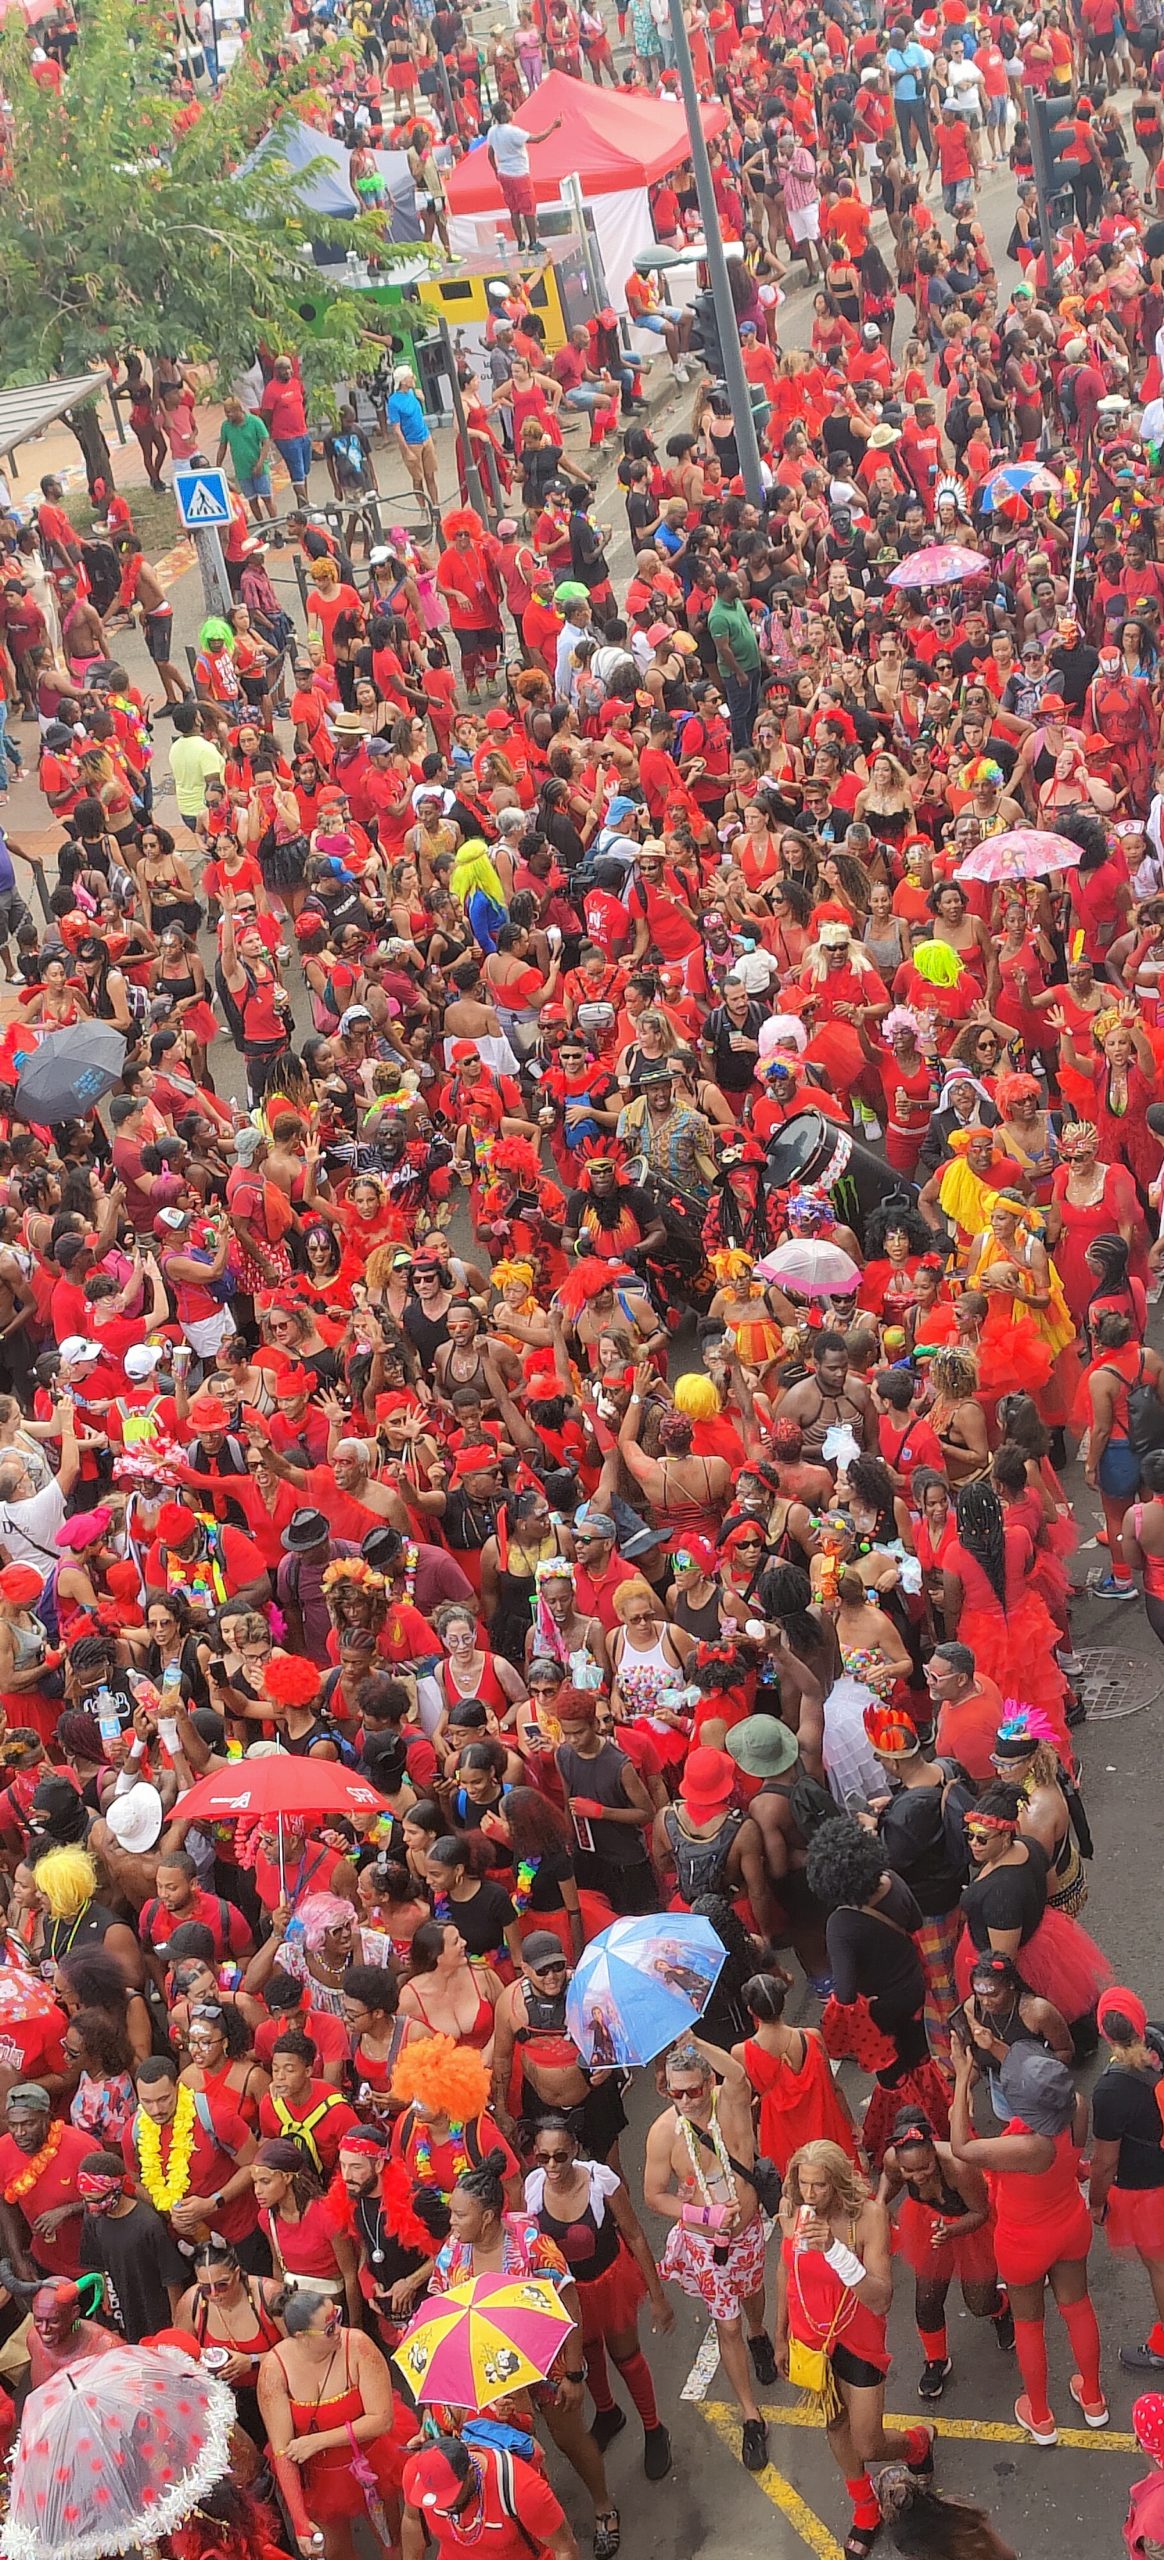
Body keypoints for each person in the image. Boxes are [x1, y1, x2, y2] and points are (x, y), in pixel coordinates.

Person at [775, 2139, 935, 2557]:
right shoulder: (792, 2207)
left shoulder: (868, 2217)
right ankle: (865, 2507)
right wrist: (780, 2335)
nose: (810, 2195)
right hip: (810, 2338)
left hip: (858, 2338)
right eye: (803, 2184)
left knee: (868, 2443)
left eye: (820, 2186)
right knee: (834, 2425)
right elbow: (786, 2272)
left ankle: (917, 2443)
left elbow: (881, 2298)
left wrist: (833, 2250)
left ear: (839, 2183)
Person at [950, 2041, 1106, 2446]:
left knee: (1030, 2324)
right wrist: (992, 2045)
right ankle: (1093, 2398)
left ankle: (1040, 2416)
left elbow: (962, 2148)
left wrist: (962, 2077)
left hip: (1024, 2243)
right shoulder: (1077, 2106)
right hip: (1069, 2225)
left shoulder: (1026, 2147)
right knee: (1078, 2308)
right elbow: (1039, 2082)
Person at [643, 2033, 776, 2471]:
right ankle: (749, 2414)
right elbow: (653, 2196)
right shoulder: (663, 2133)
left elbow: (738, 2073)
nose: (686, 2100)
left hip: (749, 2232)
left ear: (708, 2082)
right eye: (675, 2092)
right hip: (707, 2244)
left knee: (753, 2294)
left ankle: (760, 2333)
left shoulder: (730, 2102)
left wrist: (697, 2041)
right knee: (728, 2324)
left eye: (693, 2090)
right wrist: (699, 2213)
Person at [525, 2110, 673, 2477]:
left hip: (610, 2282)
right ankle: (608, 2413)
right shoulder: (532, 2187)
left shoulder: (601, 2182)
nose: (552, 2165)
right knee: (586, 2353)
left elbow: (636, 2235)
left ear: (575, 2148)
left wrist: (658, 2298)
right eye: (543, 2157)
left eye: (560, 2155)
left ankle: (655, 2429)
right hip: (570, 2293)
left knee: (627, 2357)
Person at [878, 2106, 1011, 2398]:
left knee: (979, 2304)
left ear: (933, 2153)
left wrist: (950, 2231)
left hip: (970, 2226)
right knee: (926, 2299)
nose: (918, 2176)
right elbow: (890, 2178)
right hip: (928, 2222)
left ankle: (1002, 2307)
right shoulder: (892, 2159)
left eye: (924, 2167)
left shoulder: (960, 2168)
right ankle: (936, 2359)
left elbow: (980, 2211)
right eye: (909, 2170)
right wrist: (879, 2204)